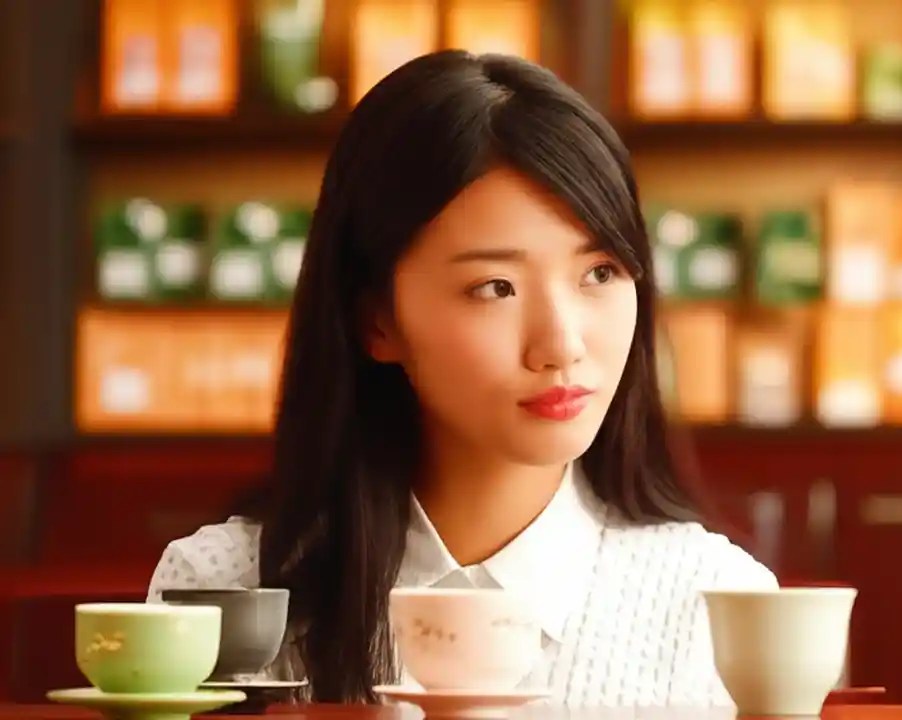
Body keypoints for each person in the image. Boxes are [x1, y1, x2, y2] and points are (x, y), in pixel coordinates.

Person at [146, 50, 776, 705]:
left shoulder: (712, 603)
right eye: (495, 287)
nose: (561, 344)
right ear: (377, 323)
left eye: (600, 273)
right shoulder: (224, 588)